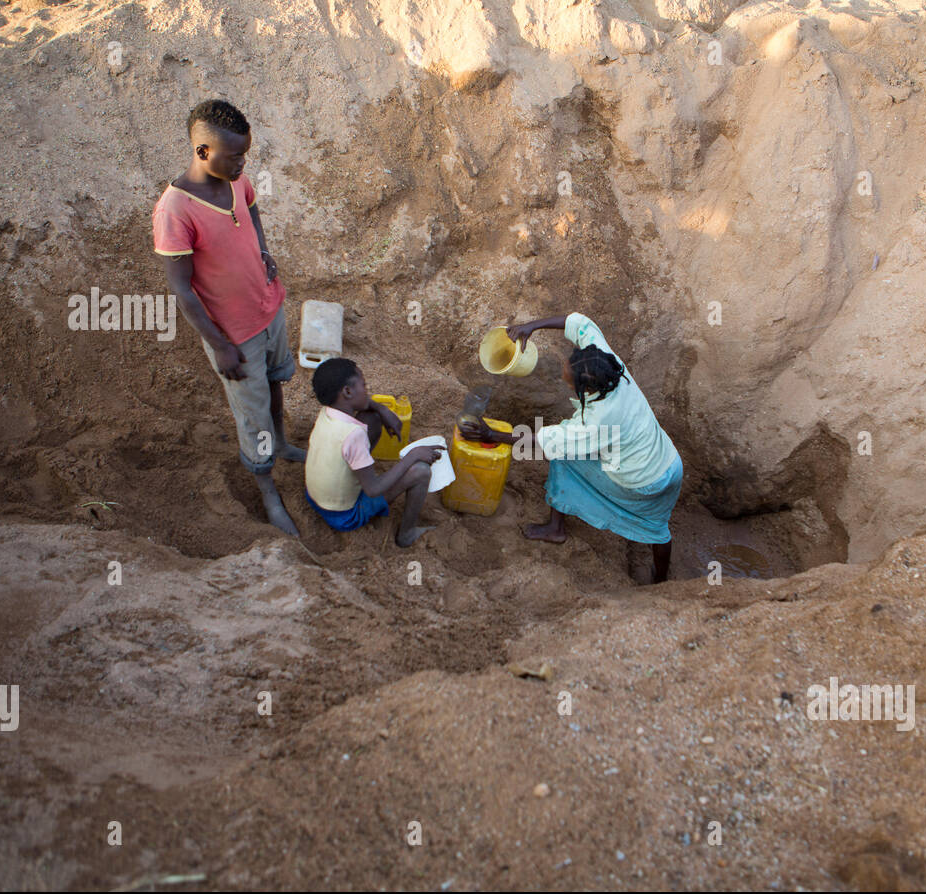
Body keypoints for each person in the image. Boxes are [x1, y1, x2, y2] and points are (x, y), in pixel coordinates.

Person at [154, 99, 304, 536]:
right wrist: (220, 344)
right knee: (251, 413)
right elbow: (182, 289)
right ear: (202, 152)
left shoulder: (235, 179)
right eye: (234, 156)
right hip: (233, 334)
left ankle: (280, 443)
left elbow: (252, 208)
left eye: (245, 155)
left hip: (267, 308)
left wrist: (263, 250)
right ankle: (268, 489)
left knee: (276, 381)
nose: (242, 164)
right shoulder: (175, 210)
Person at [460, 312, 683, 582]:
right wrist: (533, 326)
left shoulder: (598, 420)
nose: (565, 368)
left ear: (583, 390)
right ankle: (661, 580)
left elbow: (543, 444)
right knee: (657, 527)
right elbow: (580, 323)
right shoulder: (605, 363)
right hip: (669, 464)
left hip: (641, 480)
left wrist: (491, 434)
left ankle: (556, 528)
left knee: (563, 457)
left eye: (569, 373)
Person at [305, 358, 441, 547]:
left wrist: (381, 408)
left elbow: (366, 406)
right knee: (421, 471)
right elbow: (374, 489)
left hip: (316, 498)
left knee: (371, 417)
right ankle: (407, 534)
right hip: (344, 515)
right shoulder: (353, 435)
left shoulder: (327, 412)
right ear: (347, 391)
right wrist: (413, 455)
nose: (367, 390)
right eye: (364, 385)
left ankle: (362, 470)